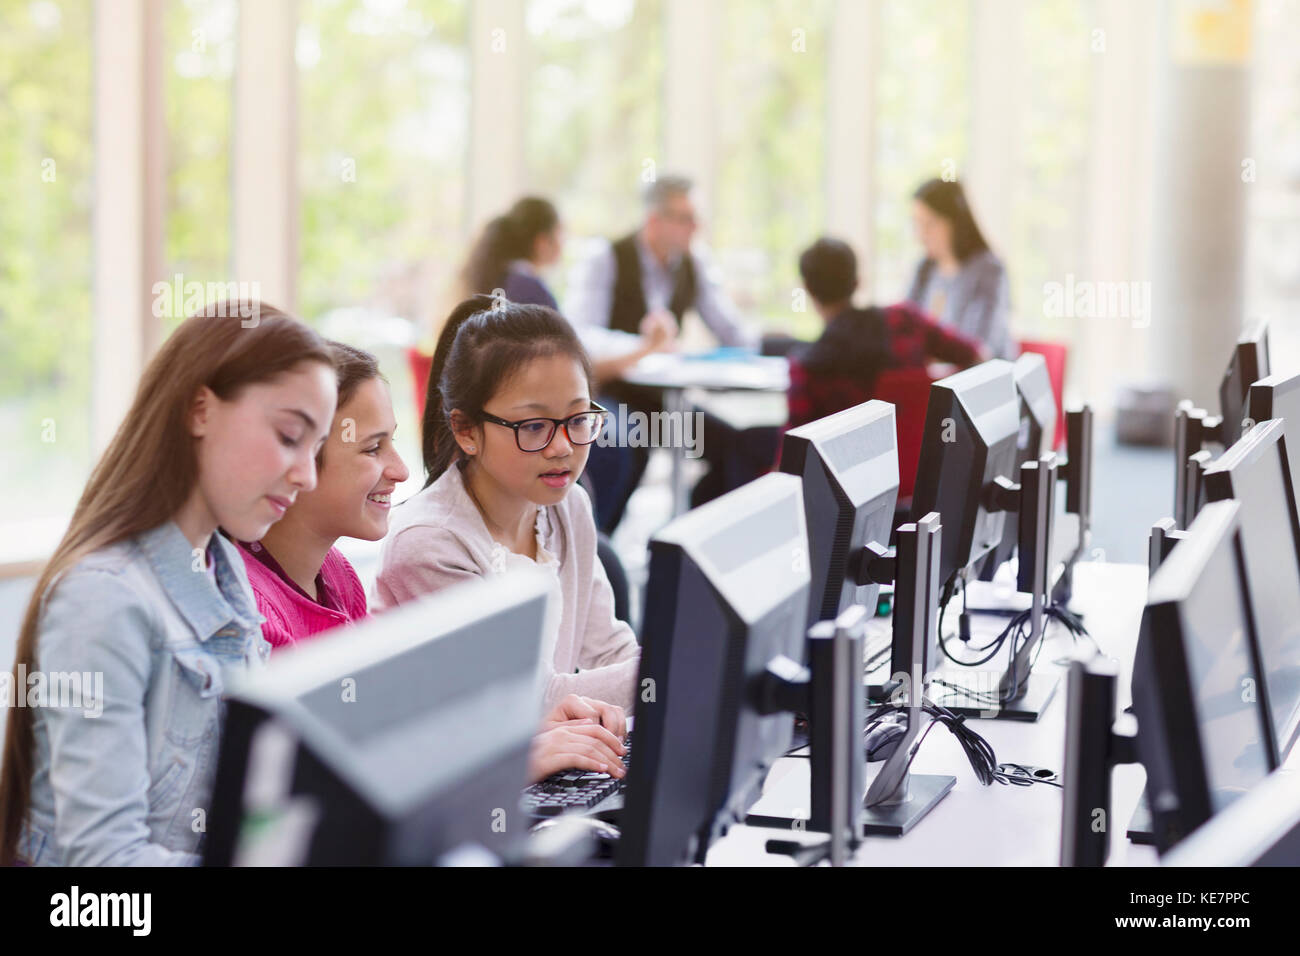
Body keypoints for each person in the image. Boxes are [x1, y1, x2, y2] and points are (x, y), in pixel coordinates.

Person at [0, 302, 340, 866]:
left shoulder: (224, 575)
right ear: (199, 408)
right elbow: (103, 869)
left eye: (317, 448)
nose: (306, 474)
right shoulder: (103, 599)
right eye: (288, 436)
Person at [375, 298, 641, 719]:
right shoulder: (429, 543)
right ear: (466, 431)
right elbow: (525, 699)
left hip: (538, 756)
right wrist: (672, 672)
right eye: (533, 426)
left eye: (577, 420)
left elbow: (607, 648)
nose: (563, 447)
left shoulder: (568, 506)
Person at [565, 174, 757, 531]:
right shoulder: (606, 258)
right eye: (685, 219)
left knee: (736, 447)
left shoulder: (693, 264)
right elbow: (579, 340)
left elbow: (732, 331)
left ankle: (690, 547)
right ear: (655, 220)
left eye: (696, 218)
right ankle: (597, 551)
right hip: (612, 397)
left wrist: (760, 344)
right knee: (621, 443)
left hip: (665, 407)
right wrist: (644, 347)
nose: (695, 228)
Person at [234, 342, 409, 649]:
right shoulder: (255, 618)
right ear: (294, 459)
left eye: (391, 441)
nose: (401, 470)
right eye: (372, 448)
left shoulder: (334, 570)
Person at [789, 237, 985, 429]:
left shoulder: (806, 370)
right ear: (858, 282)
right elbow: (978, 355)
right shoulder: (906, 321)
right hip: (921, 457)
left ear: (808, 289)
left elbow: (793, 456)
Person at [905, 178, 1015, 360]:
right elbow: (906, 326)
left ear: (956, 222)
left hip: (981, 380)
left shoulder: (989, 270)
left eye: (930, 224)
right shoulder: (925, 268)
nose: (921, 235)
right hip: (938, 378)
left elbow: (982, 348)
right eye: (917, 223)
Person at [460, 196, 563, 309]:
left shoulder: (497, 276)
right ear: (542, 242)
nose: (563, 243)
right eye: (560, 234)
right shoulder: (531, 290)